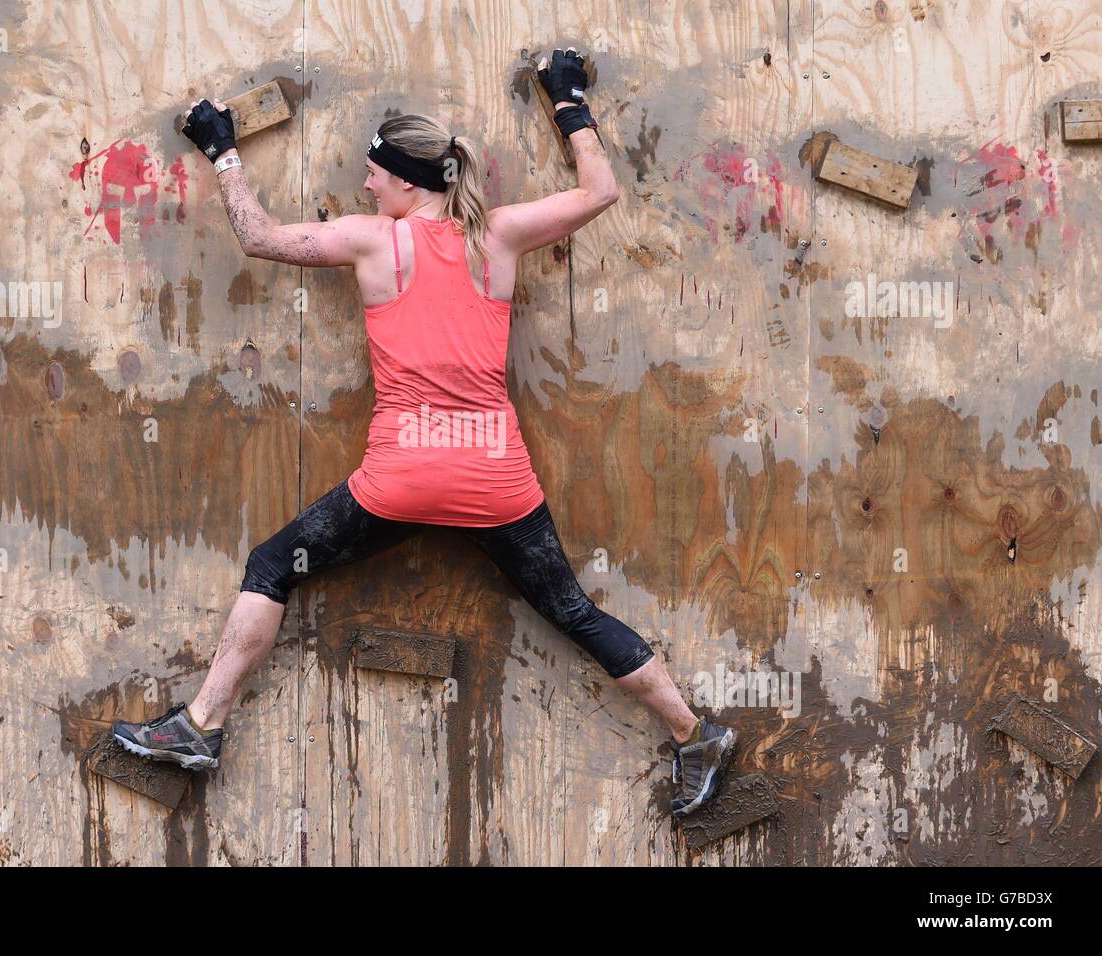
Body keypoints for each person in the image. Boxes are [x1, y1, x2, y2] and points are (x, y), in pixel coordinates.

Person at [112, 49, 737, 818]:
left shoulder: (377, 240)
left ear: (407, 182)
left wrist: (222, 151)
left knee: (274, 565)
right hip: (495, 483)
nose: (367, 184)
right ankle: (693, 733)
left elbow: (259, 238)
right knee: (574, 612)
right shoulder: (501, 234)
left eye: (375, 173)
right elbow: (600, 190)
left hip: (400, 484)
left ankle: (202, 725)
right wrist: (565, 99)